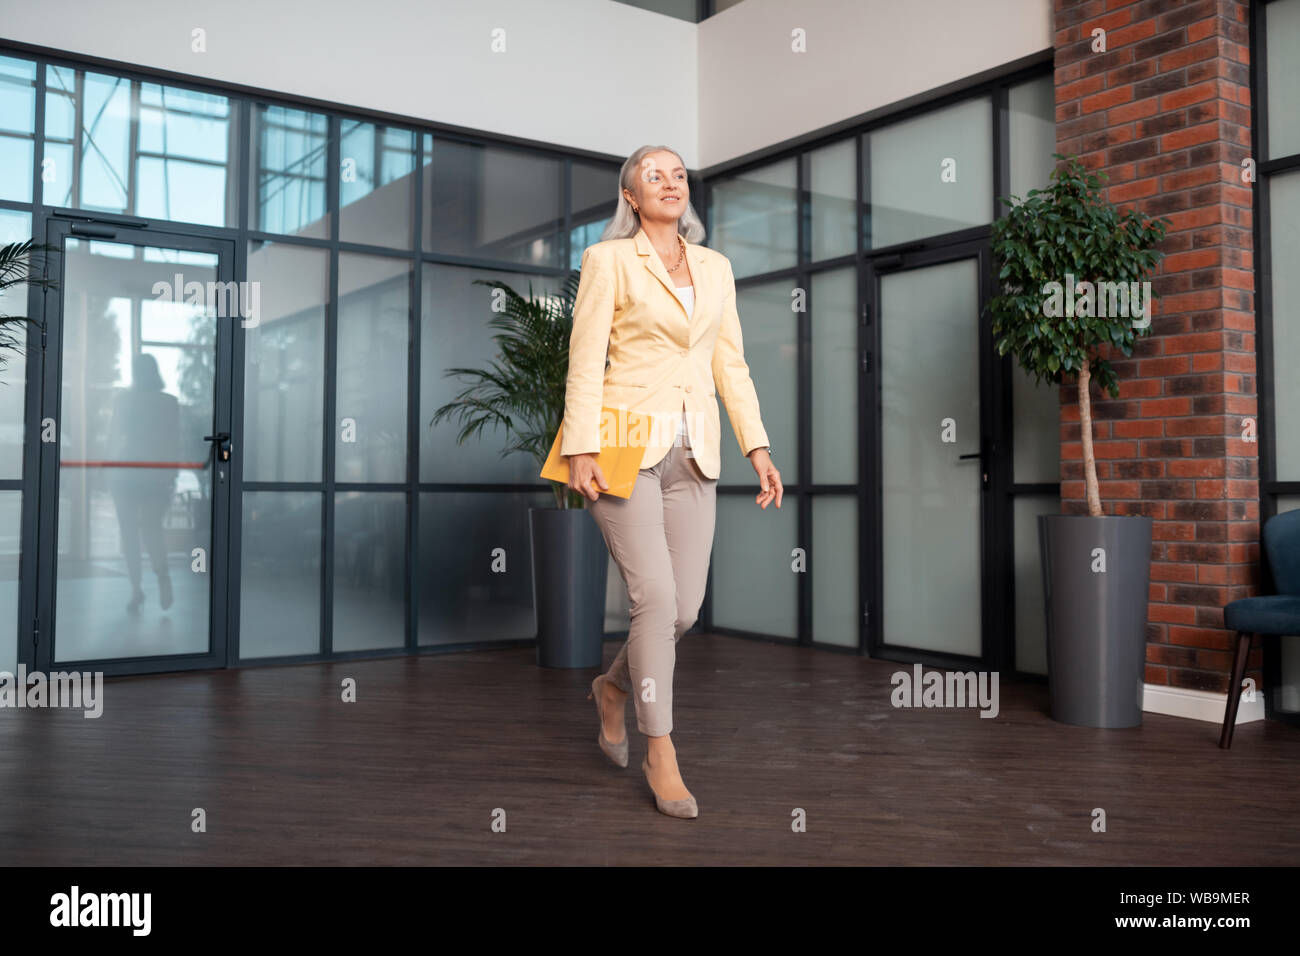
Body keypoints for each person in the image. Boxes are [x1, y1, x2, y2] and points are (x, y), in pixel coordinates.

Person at [562, 145, 783, 819]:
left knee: (684, 608)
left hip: (697, 450)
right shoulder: (608, 261)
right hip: (624, 442)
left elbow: (730, 363)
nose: (669, 182)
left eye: (677, 174)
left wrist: (759, 444)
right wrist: (580, 447)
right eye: (653, 174)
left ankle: (613, 687)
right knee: (654, 597)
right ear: (630, 195)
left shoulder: (716, 268)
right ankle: (661, 750)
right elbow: (584, 357)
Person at [108, 353, 180, 613]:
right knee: (152, 531)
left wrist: (105, 469)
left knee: (129, 534)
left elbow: (114, 436)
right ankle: (162, 578)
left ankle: (136, 589)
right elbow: (174, 442)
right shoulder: (169, 403)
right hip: (156, 474)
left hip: (126, 472)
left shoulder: (124, 400)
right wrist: (172, 476)